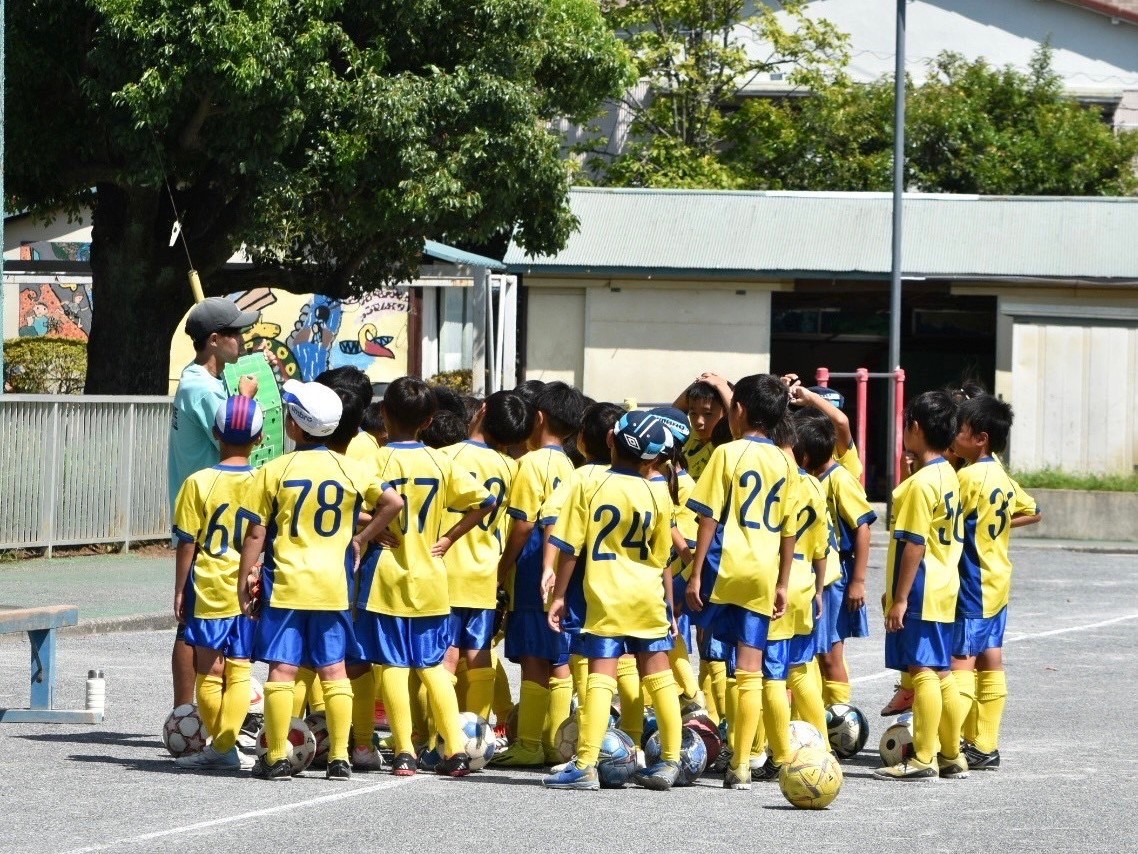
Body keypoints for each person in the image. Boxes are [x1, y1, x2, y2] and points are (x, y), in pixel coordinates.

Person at [238, 379, 404, 781]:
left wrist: (246, 574)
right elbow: (393, 502)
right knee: (334, 671)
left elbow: (257, 532)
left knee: (282, 670)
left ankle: (277, 755)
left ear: (295, 425)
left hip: (288, 584)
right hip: (333, 584)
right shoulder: (351, 467)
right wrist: (362, 538)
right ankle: (340, 758)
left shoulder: (274, 469)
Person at [353, 377, 495, 777]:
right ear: (430, 419)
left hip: (386, 579)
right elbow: (487, 501)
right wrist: (449, 537)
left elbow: (345, 499)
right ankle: (456, 751)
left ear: (383, 414)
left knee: (394, 666)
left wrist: (370, 522)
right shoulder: (440, 461)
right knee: (433, 666)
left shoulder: (375, 460)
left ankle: (403, 752)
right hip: (431, 577)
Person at [543, 411, 682, 791]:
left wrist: (558, 596)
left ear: (609, 439)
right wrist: (668, 604)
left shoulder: (590, 484)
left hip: (606, 595)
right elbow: (664, 555)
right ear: (653, 458)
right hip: (647, 594)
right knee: (660, 675)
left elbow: (569, 546)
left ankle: (586, 764)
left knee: (601, 676)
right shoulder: (658, 492)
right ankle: (670, 760)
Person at [685, 374, 795, 790]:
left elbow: (708, 516)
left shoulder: (727, 454)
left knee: (717, 660)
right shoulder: (787, 461)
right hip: (764, 571)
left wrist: (696, 572)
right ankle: (743, 765)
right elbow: (789, 530)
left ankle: (731, 748)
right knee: (751, 670)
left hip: (723, 567)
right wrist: (783, 582)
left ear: (740, 411)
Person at [168, 297, 260, 708]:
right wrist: (246, 401)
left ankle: (205, 713)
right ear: (214, 340)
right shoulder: (201, 388)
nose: (243, 339)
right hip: (206, 513)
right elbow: (233, 436)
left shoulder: (209, 379)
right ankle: (188, 714)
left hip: (214, 507)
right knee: (192, 624)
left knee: (208, 623)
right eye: (236, 333)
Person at [875, 390, 969, 781]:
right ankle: (951, 755)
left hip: (922, 587)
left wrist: (899, 599)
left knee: (923, 669)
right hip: (945, 584)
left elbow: (914, 543)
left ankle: (924, 758)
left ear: (914, 427)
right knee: (942, 671)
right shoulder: (948, 473)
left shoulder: (919, 485)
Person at [491, 381, 585, 767]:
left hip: (533, 567)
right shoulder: (571, 465)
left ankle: (528, 742)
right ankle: (554, 741)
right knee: (557, 656)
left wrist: (502, 569)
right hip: (564, 569)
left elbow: (524, 526)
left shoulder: (529, 464)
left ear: (539, 417)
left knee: (532, 655)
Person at [171, 395, 263, 770]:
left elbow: (186, 541)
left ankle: (221, 745)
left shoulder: (198, 482)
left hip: (209, 584)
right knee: (240, 669)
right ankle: (228, 743)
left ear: (215, 433)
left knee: (209, 670)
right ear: (258, 439)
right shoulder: (264, 479)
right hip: (250, 584)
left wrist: (179, 588)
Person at [951, 394, 1041, 770]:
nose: (954, 434)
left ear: (981, 438)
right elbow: (1032, 511)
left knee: (960, 664)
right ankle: (985, 745)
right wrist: (1000, 524)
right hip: (997, 577)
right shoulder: (999, 475)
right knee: (991, 659)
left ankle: (949, 747)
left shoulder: (967, 477)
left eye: (961, 429)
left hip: (973, 580)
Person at [441, 391, 532, 722]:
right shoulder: (512, 468)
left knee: (445, 658)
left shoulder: (446, 456)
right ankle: (476, 732)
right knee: (480, 655)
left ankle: (440, 734)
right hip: (486, 571)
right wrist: (501, 570)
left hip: (446, 568)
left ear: (481, 411)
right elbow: (520, 522)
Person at [751, 414, 831, 781]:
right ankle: (823, 749)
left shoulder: (774, 479)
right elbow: (821, 544)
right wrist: (816, 587)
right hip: (803, 581)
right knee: (800, 669)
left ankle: (780, 755)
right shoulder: (814, 485)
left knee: (771, 673)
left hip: (776, 581)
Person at [795, 410, 876, 705]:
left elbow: (863, 529)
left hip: (835, 574)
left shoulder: (840, 479)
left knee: (830, 653)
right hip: (814, 569)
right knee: (813, 652)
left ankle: (840, 719)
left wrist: (858, 581)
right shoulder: (809, 479)